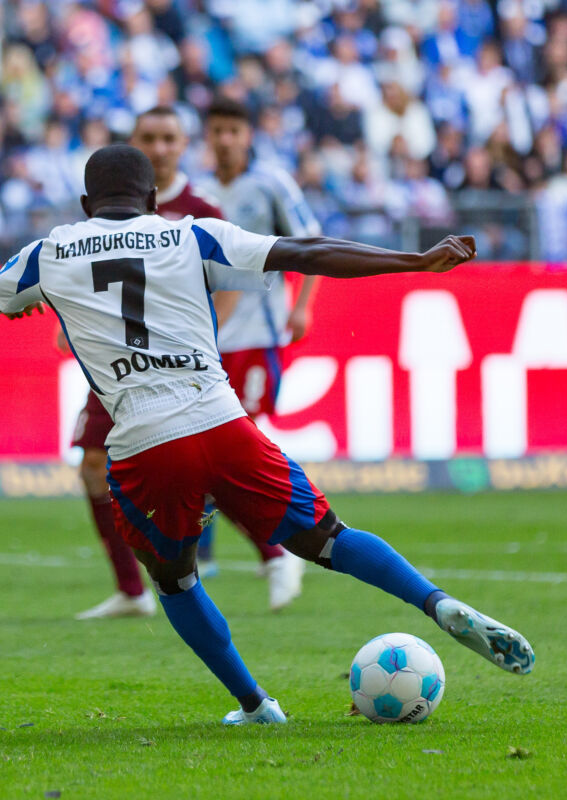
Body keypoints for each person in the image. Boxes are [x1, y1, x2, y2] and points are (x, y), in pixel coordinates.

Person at [0, 144, 534, 724]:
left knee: (175, 578)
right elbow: (306, 251)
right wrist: (412, 260)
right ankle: (437, 603)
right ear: (154, 199)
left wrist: (26, 302)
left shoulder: (49, 252)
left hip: (142, 441)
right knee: (328, 537)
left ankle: (257, 705)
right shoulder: (191, 235)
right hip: (220, 419)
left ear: (86, 204)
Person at [68, 106, 294, 619]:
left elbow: (231, 285)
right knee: (91, 466)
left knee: (206, 467)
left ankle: (274, 553)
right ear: (134, 141)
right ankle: (131, 592)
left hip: (179, 367)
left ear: (184, 144)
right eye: (150, 137)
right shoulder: (103, 210)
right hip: (116, 367)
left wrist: (196, 339)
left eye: (170, 137)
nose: (161, 146)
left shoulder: (200, 208)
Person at [197, 96, 320, 593]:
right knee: (204, 448)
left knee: (229, 448)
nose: (225, 139)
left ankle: (281, 549)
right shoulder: (198, 192)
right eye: (217, 130)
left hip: (258, 335)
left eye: (233, 130)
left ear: (247, 134)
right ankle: (203, 556)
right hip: (205, 341)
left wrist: (304, 304)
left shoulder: (271, 184)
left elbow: (310, 242)